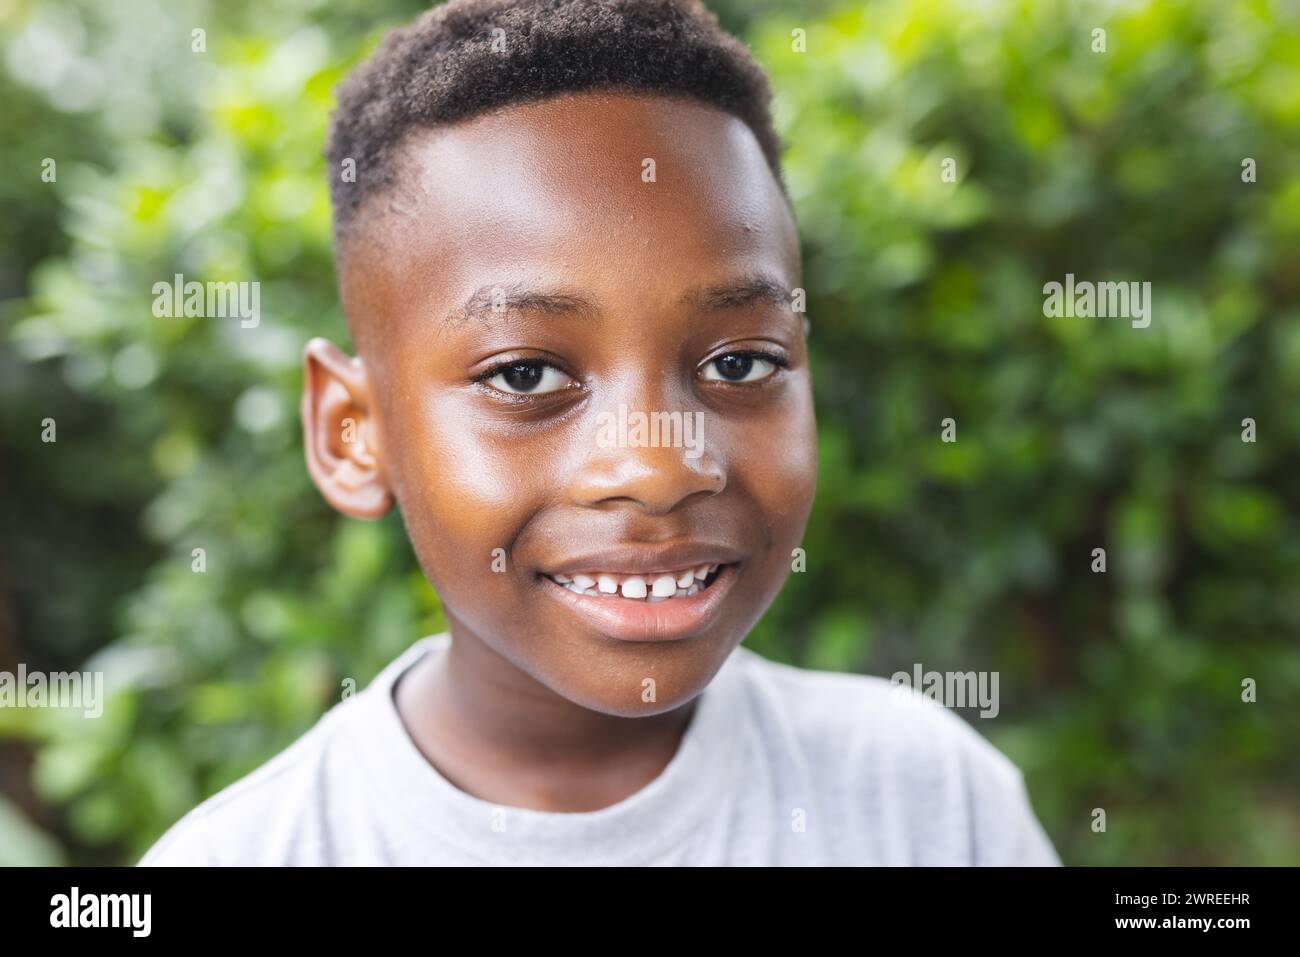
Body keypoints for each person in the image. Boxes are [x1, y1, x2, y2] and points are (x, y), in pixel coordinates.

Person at [140, 0, 1060, 866]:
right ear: (352, 432)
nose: (658, 467)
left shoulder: (929, 804)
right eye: (525, 374)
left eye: (739, 364)